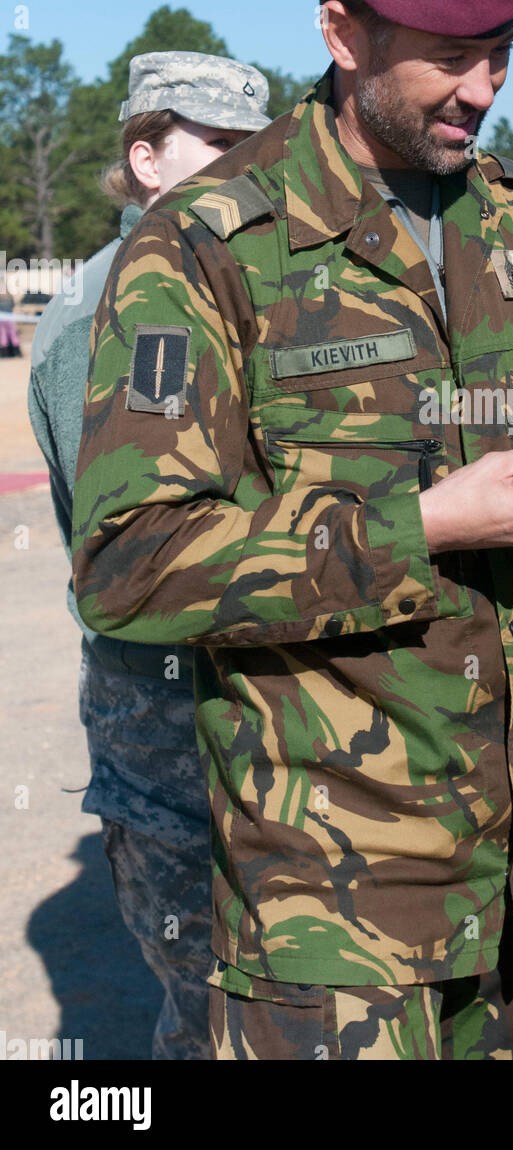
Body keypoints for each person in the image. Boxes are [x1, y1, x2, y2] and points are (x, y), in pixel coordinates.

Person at [71, 0, 513, 1062]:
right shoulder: (207, 249)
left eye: (503, 49)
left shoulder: (509, 215)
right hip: (335, 928)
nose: (484, 88)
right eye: (450, 54)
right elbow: (130, 564)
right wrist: (421, 527)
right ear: (340, 31)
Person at [29, 51, 270, 1058]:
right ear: (148, 157)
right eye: (219, 148)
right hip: (168, 709)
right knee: (215, 1003)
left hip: (248, 691)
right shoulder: (110, 311)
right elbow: (145, 556)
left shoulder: (220, 282)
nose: (249, 175)